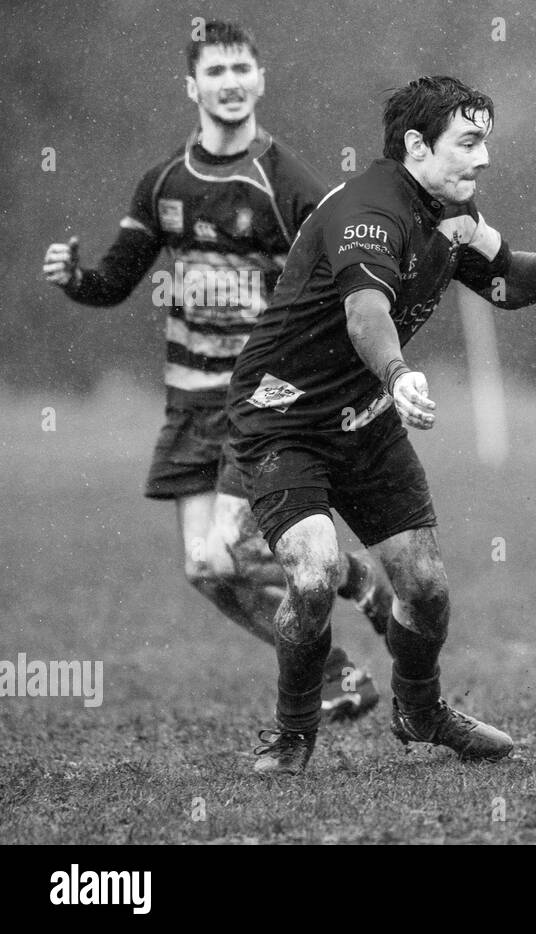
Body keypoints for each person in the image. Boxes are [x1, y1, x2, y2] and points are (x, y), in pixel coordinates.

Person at [226, 74, 536, 775]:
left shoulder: (454, 209)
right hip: (283, 421)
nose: (484, 158)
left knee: (426, 588)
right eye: (468, 142)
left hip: (368, 424)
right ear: (417, 144)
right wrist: (399, 373)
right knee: (317, 573)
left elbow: (508, 284)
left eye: (487, 142)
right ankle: (292, 738)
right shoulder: (369, 212)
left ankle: (420, 711)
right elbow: (365, 314)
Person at [40, 20, 390, 720]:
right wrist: (75, 278)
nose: (230, 83)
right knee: (207, 569)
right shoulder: (165, 182)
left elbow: (337, 271)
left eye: (241, 70)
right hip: (187, 403)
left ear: (260, 80)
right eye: (216, 72)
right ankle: (340, 669)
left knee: (235, 546)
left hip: (258, 400)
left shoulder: (283, 179)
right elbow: (117, 279)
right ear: (192, 86)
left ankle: (357, 580)